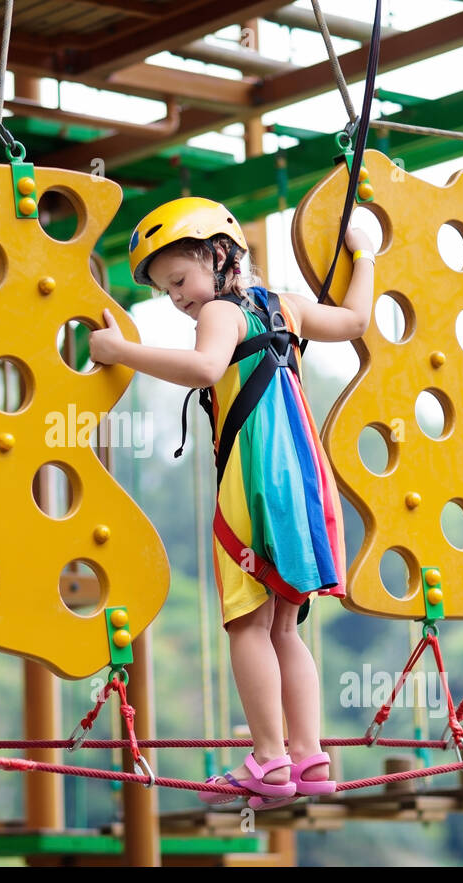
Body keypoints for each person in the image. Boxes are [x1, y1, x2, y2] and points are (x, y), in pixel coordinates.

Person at [87, 197, 374, 809]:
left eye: (179, 280)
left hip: (255, 472)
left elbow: (204, 367)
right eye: (167, 291)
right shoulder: (286, 306)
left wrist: (119, 353)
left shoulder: (219, 310)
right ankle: (307, 755)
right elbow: (354, 322)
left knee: (246, 621)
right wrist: (364, 253)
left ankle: (269, 761)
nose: (179, 299)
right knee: (284, 626)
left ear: (218, 257)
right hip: (303, 475)